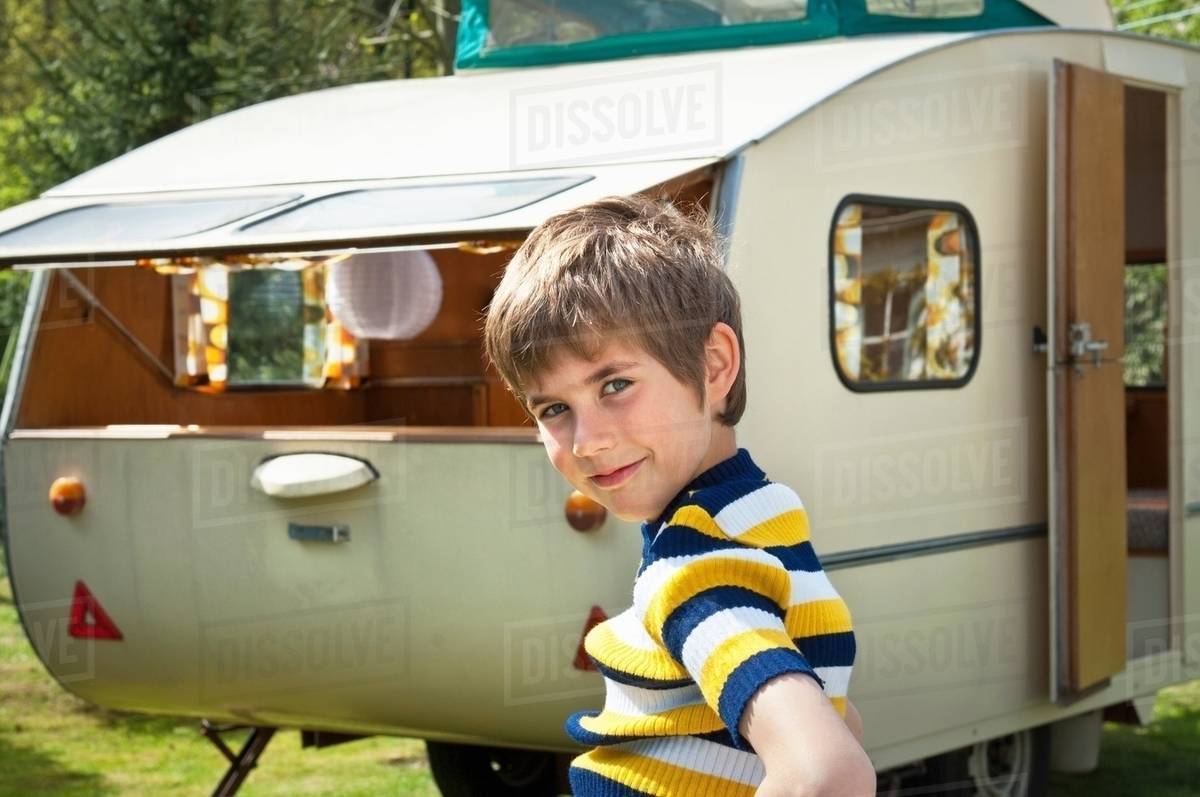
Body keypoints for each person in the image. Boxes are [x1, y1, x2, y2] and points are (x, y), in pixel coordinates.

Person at [483, 194, 874, 796]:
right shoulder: (763, 517)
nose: (587, 441)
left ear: (715, 366)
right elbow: (837, 719)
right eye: (554, 409)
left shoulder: (696, 571)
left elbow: (826, 771)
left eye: (615, 384)